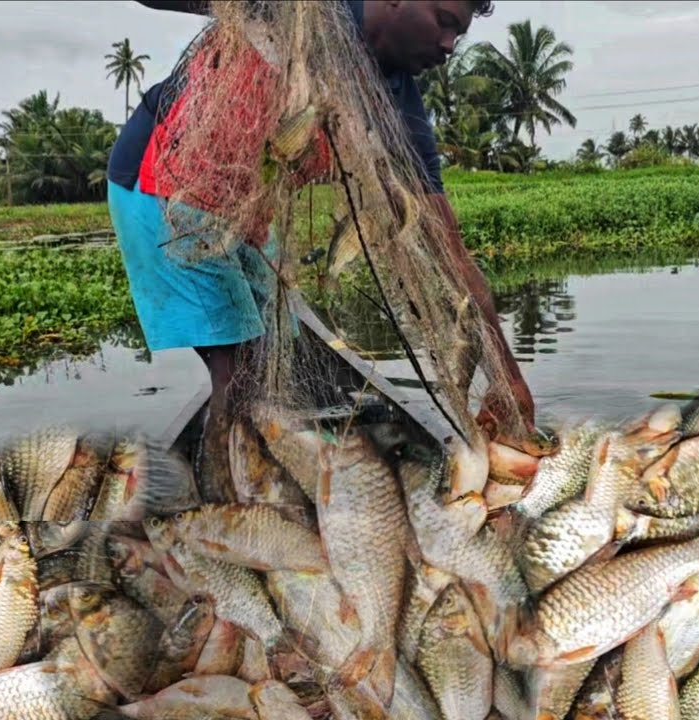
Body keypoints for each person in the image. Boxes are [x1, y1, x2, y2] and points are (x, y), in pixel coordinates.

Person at [106, 0, 540, 467]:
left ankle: (270, 470)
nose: (449, 46)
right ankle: (226, 492)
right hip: (164, 188)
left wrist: (508, 376)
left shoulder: (399, 108)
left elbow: (450, 250)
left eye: (459, 34)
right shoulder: (306, 8)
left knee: (280, 358)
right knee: (240, 374)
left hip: (246, 218)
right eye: (445, 21)